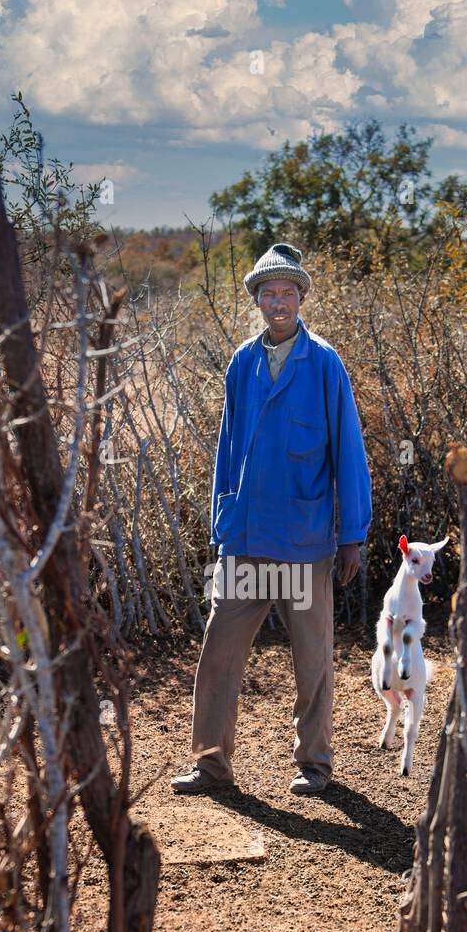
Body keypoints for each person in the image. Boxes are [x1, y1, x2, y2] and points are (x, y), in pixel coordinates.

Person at [171, 241, 372, 797]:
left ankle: (315, 765)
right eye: (269, 292)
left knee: (312, 661)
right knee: (219, 654)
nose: (278, 301)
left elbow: (348, 451)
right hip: (246, 538)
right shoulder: (242, 362)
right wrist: (222, 524)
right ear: (257, 300)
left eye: (287, 291)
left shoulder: (325, 363)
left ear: (300, 298)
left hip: (306, 541)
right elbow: (227, 449)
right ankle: (210, 766)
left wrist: (352, 534)